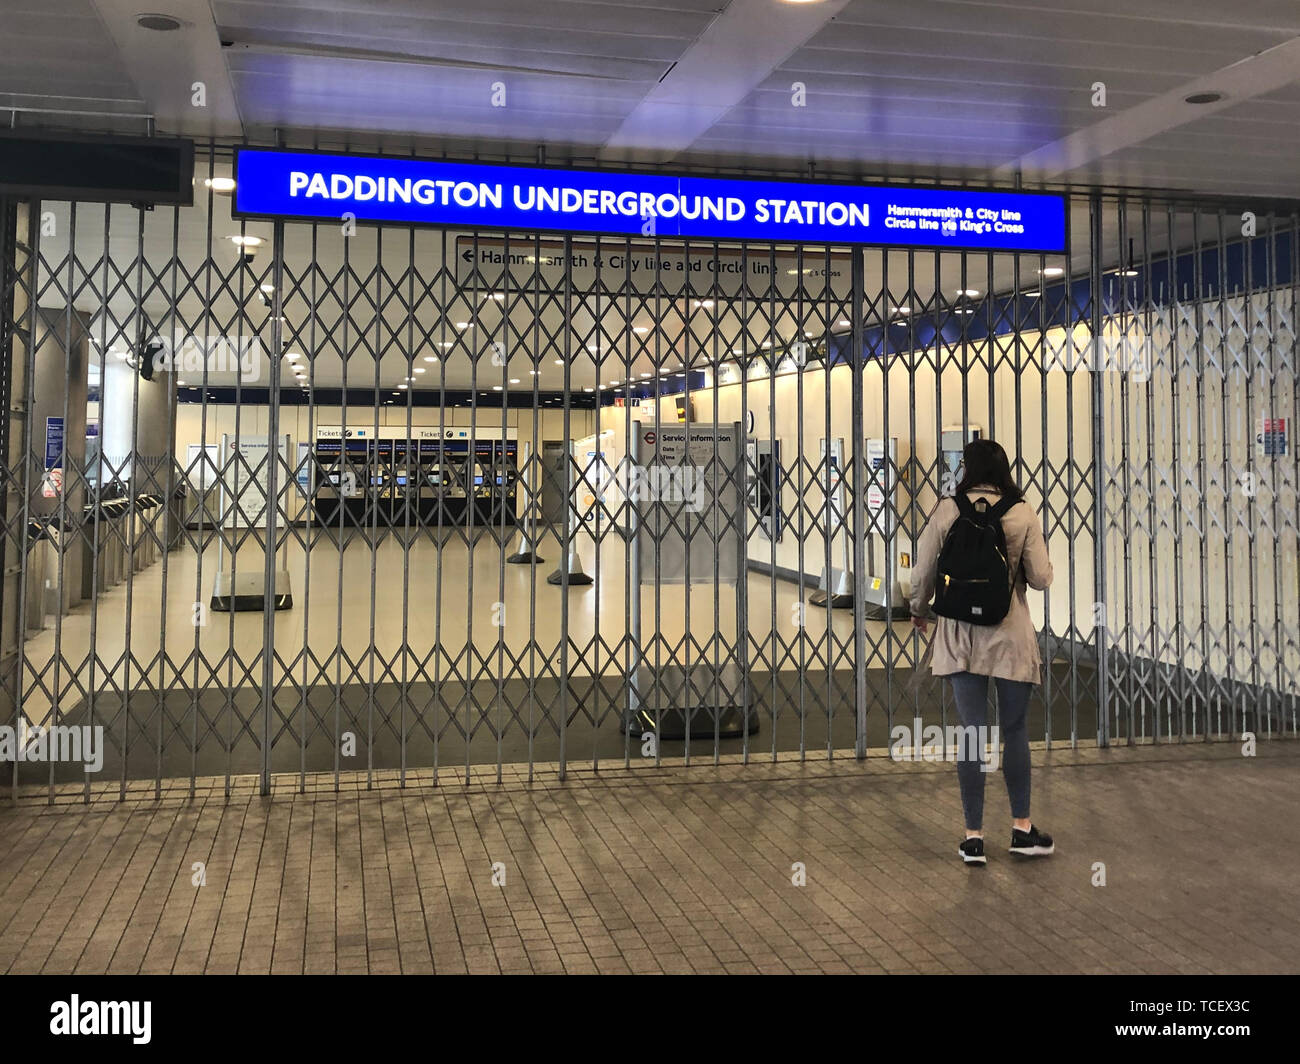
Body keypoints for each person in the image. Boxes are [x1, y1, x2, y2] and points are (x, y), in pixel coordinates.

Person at [909, 439, 1055, 866]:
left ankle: (973, 838)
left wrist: (919, 611)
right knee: (1014, 730)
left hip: (959, 637)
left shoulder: (946, 509)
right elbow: (1042, 578)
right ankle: (1022, 830)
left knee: (971, 732)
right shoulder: (1022, 511)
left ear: (966, 469)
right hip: (1009, 636)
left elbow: (923, 571)